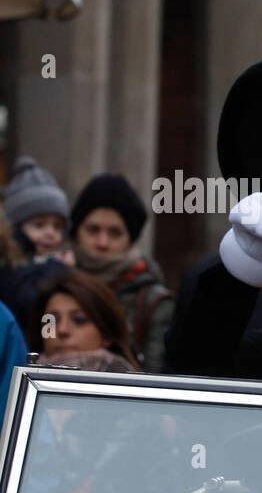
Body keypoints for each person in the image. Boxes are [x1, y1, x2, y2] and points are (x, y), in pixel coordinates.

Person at [69, 174, 174, 372]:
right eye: (93, 230)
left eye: (115, 233)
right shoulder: (56, 287)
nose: (102, 242)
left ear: (130, 240)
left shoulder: (152, 302)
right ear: (76, 232)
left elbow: (154, 379)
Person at [0, 156, 71, 322]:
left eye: (57, 226)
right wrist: (56, 269)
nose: (50, 233)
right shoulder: (11, 270)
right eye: (39, 225)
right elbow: (31, 304)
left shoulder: (60, 262)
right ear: (15, 230)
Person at [25, 270, 139, 372]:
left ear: (107, 334)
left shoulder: (134, 390)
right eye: (50, 322)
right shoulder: (18, 384)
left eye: (79, 319)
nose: (62, 330)